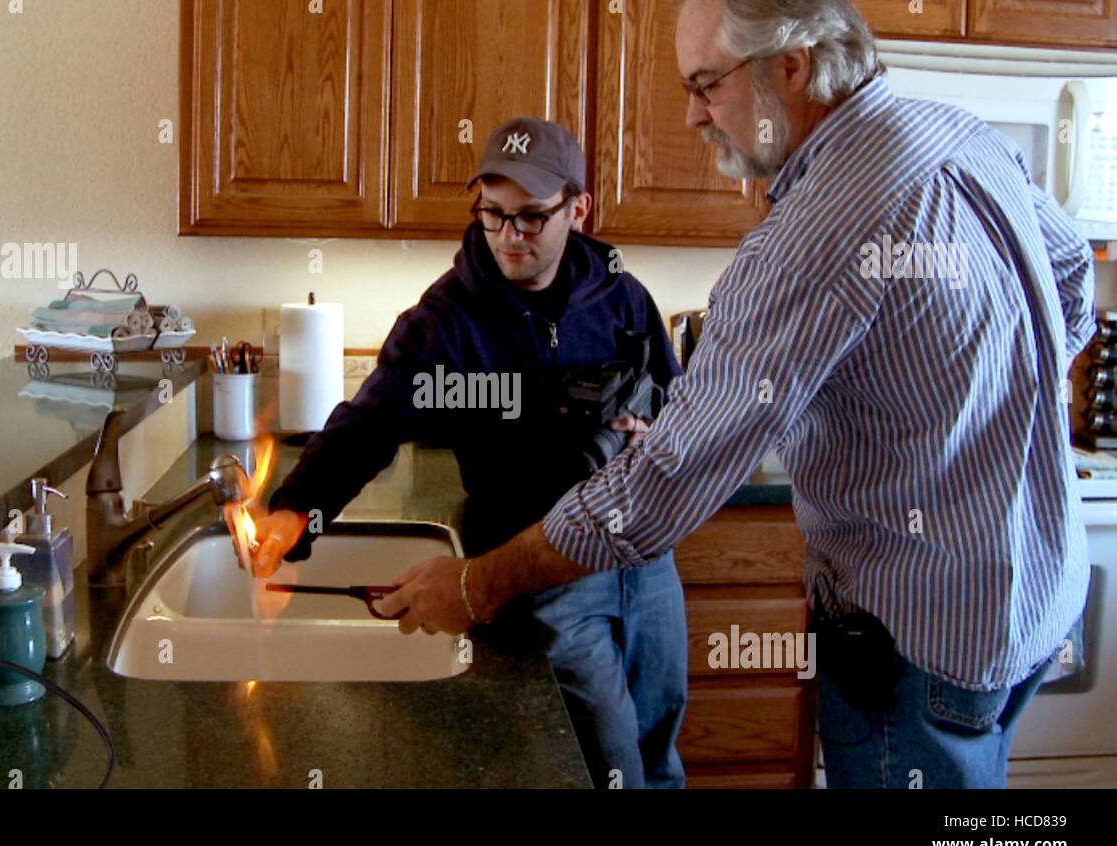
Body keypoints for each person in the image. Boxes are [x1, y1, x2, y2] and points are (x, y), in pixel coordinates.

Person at [379, 0, 1095, 790]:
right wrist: (976, 401)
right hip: (1034, 596)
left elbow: (662, 486)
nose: (691, 114)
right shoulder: (960, 133)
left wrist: (478, 584)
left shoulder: (811, 236)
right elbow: (1069, 276)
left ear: (791, 65)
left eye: (706, 85)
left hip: (917, 644)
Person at [252, 118, 689, 789]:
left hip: (646, 561)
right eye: (494, 213)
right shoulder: (444, 322)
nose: (511, 235)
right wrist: (294, 512)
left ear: (579, 208)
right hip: (544, 567)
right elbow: (366, 425)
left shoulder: (623, 295)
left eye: (532, 216)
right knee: (609, 768)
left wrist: (649, 422)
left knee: (659, 755)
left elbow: (675, 400)